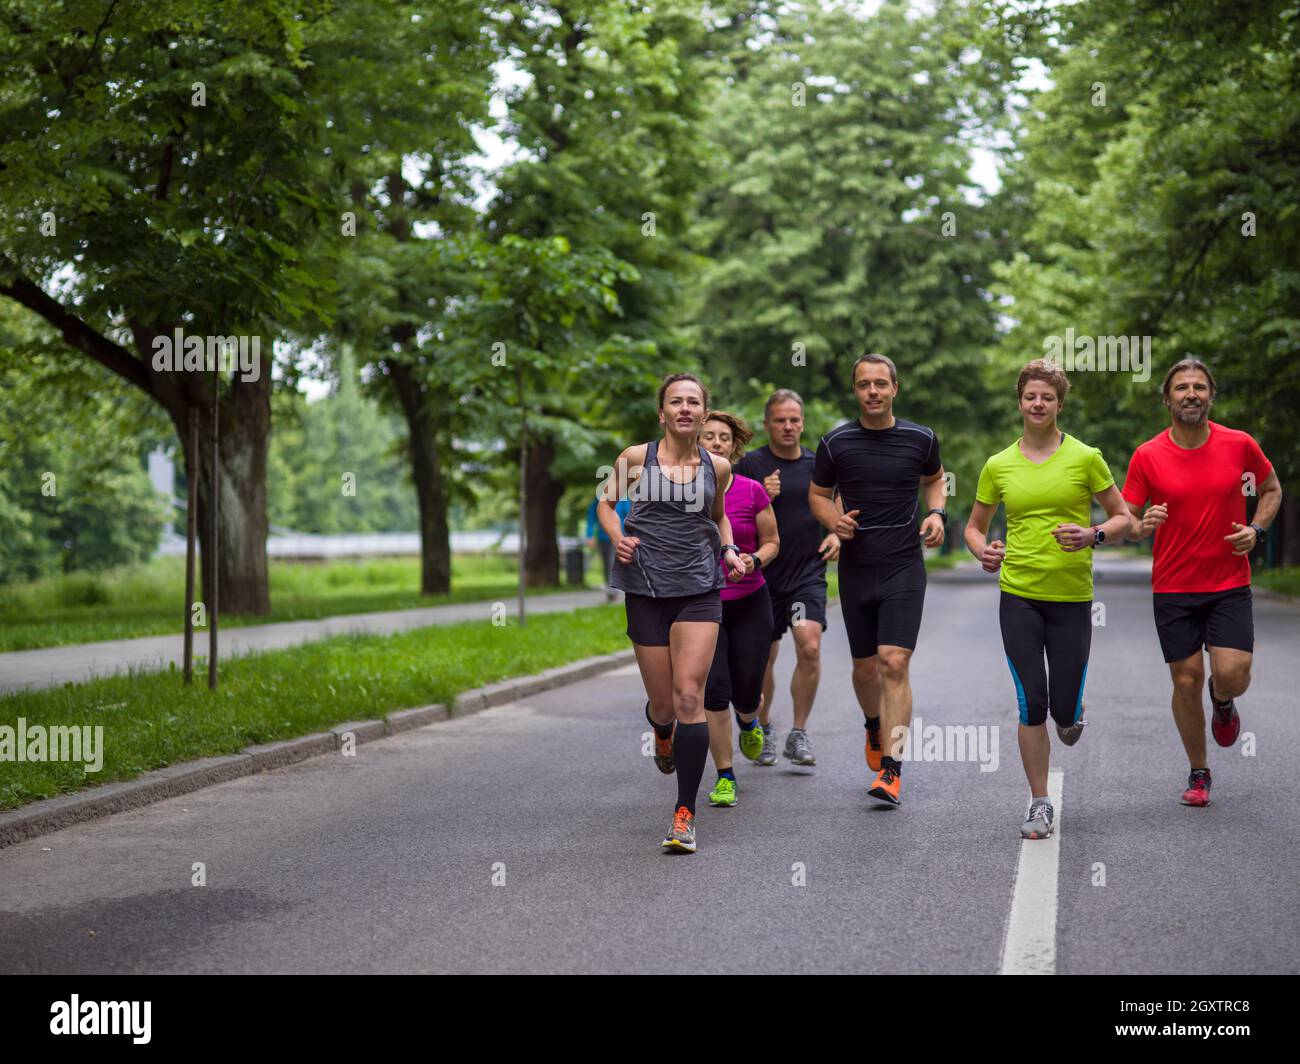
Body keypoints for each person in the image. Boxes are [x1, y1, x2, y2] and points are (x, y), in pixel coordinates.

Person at [964, 359, 1133, 839]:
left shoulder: (1085, 457)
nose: (1038, 404)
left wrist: (1093, 534)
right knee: (1029, 701)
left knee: (1062, 709)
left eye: (1048, 397)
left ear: (1060, 403)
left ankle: (1071, 712)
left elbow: (1123, 517)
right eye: (1030, 396)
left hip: (1072, 597)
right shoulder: (999, 464)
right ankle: (1040, 802)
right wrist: (984, 551)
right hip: (1018, 593)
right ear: (1020, 401)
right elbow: (975, 528)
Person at [1120, 358, 1283, 807]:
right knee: (1186, 680)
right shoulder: (1147, 455)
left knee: (1232, 674)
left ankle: (1224, 700)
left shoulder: (1240, 444)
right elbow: (1126, 519)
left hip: (1229, 581)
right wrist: (1141, 525)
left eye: (1199, 387)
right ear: (1167, 398)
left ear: (1211, 395)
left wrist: (1258, 530)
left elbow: (1271, 489)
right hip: (1173, 586)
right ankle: (1199, 771)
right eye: (1181, 387)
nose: (1190, 393)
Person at [598, 373, 748, 853]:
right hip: (644, 588)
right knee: (664, 706)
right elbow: (604, 503)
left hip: (700, 588)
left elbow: (719, 515)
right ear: (662, 413)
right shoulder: (634, 459)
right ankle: (660, 729)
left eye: (694, 402)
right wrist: (617, 535)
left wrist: (728, 549)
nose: (685, 409)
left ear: (704, 414)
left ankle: (684, 814)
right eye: (675, 402)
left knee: (690, 696)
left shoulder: (717, 467)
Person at [809, 353, 947, 806]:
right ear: (856, 391)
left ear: (894, 388)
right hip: (857, 569)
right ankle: (873, 723)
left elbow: (935, 479)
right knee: (865, 667)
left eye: (880, 384)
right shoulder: (835, 442)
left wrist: (936, 513)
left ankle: (892, 769)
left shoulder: (921, 438)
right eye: (864, 384)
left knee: (894, 662)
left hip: (903, 565)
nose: (873, 391)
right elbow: (817, 495)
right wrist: (834, 521)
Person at [735, 390, 841, 767]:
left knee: (808, 645)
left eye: (794, 420)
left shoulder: (818, 464)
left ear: (803, 423)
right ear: (767, 424)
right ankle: (763, 727)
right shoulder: (749, 464)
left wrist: (835, 533)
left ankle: (798, 732)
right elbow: (729, 517)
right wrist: (762, 493)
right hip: (760, 580)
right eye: (780, 420)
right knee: (763, 657)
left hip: (805, 576)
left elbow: (836, 504)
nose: (788, 426)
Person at [698, 411, 780, 806]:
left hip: (750, 600)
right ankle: (725, 775)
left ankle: (748, 719)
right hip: (703, 603)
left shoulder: (751, 490)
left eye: (723, 438)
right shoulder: (684, 491)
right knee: (714, 692)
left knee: (747, 689)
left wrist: (754, 560)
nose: (716, 443)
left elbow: (772, 542)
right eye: (708, 436)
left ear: (735, 446)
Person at [586, 494, 630, 601]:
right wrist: (590, 534)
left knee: (612, 562)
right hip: (603, 537)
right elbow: (592, 516)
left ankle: (613, 589)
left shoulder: (624, 497)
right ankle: (609, 586)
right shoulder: (600, 497)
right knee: (606, 564)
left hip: (618, 536)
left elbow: (628, 515)